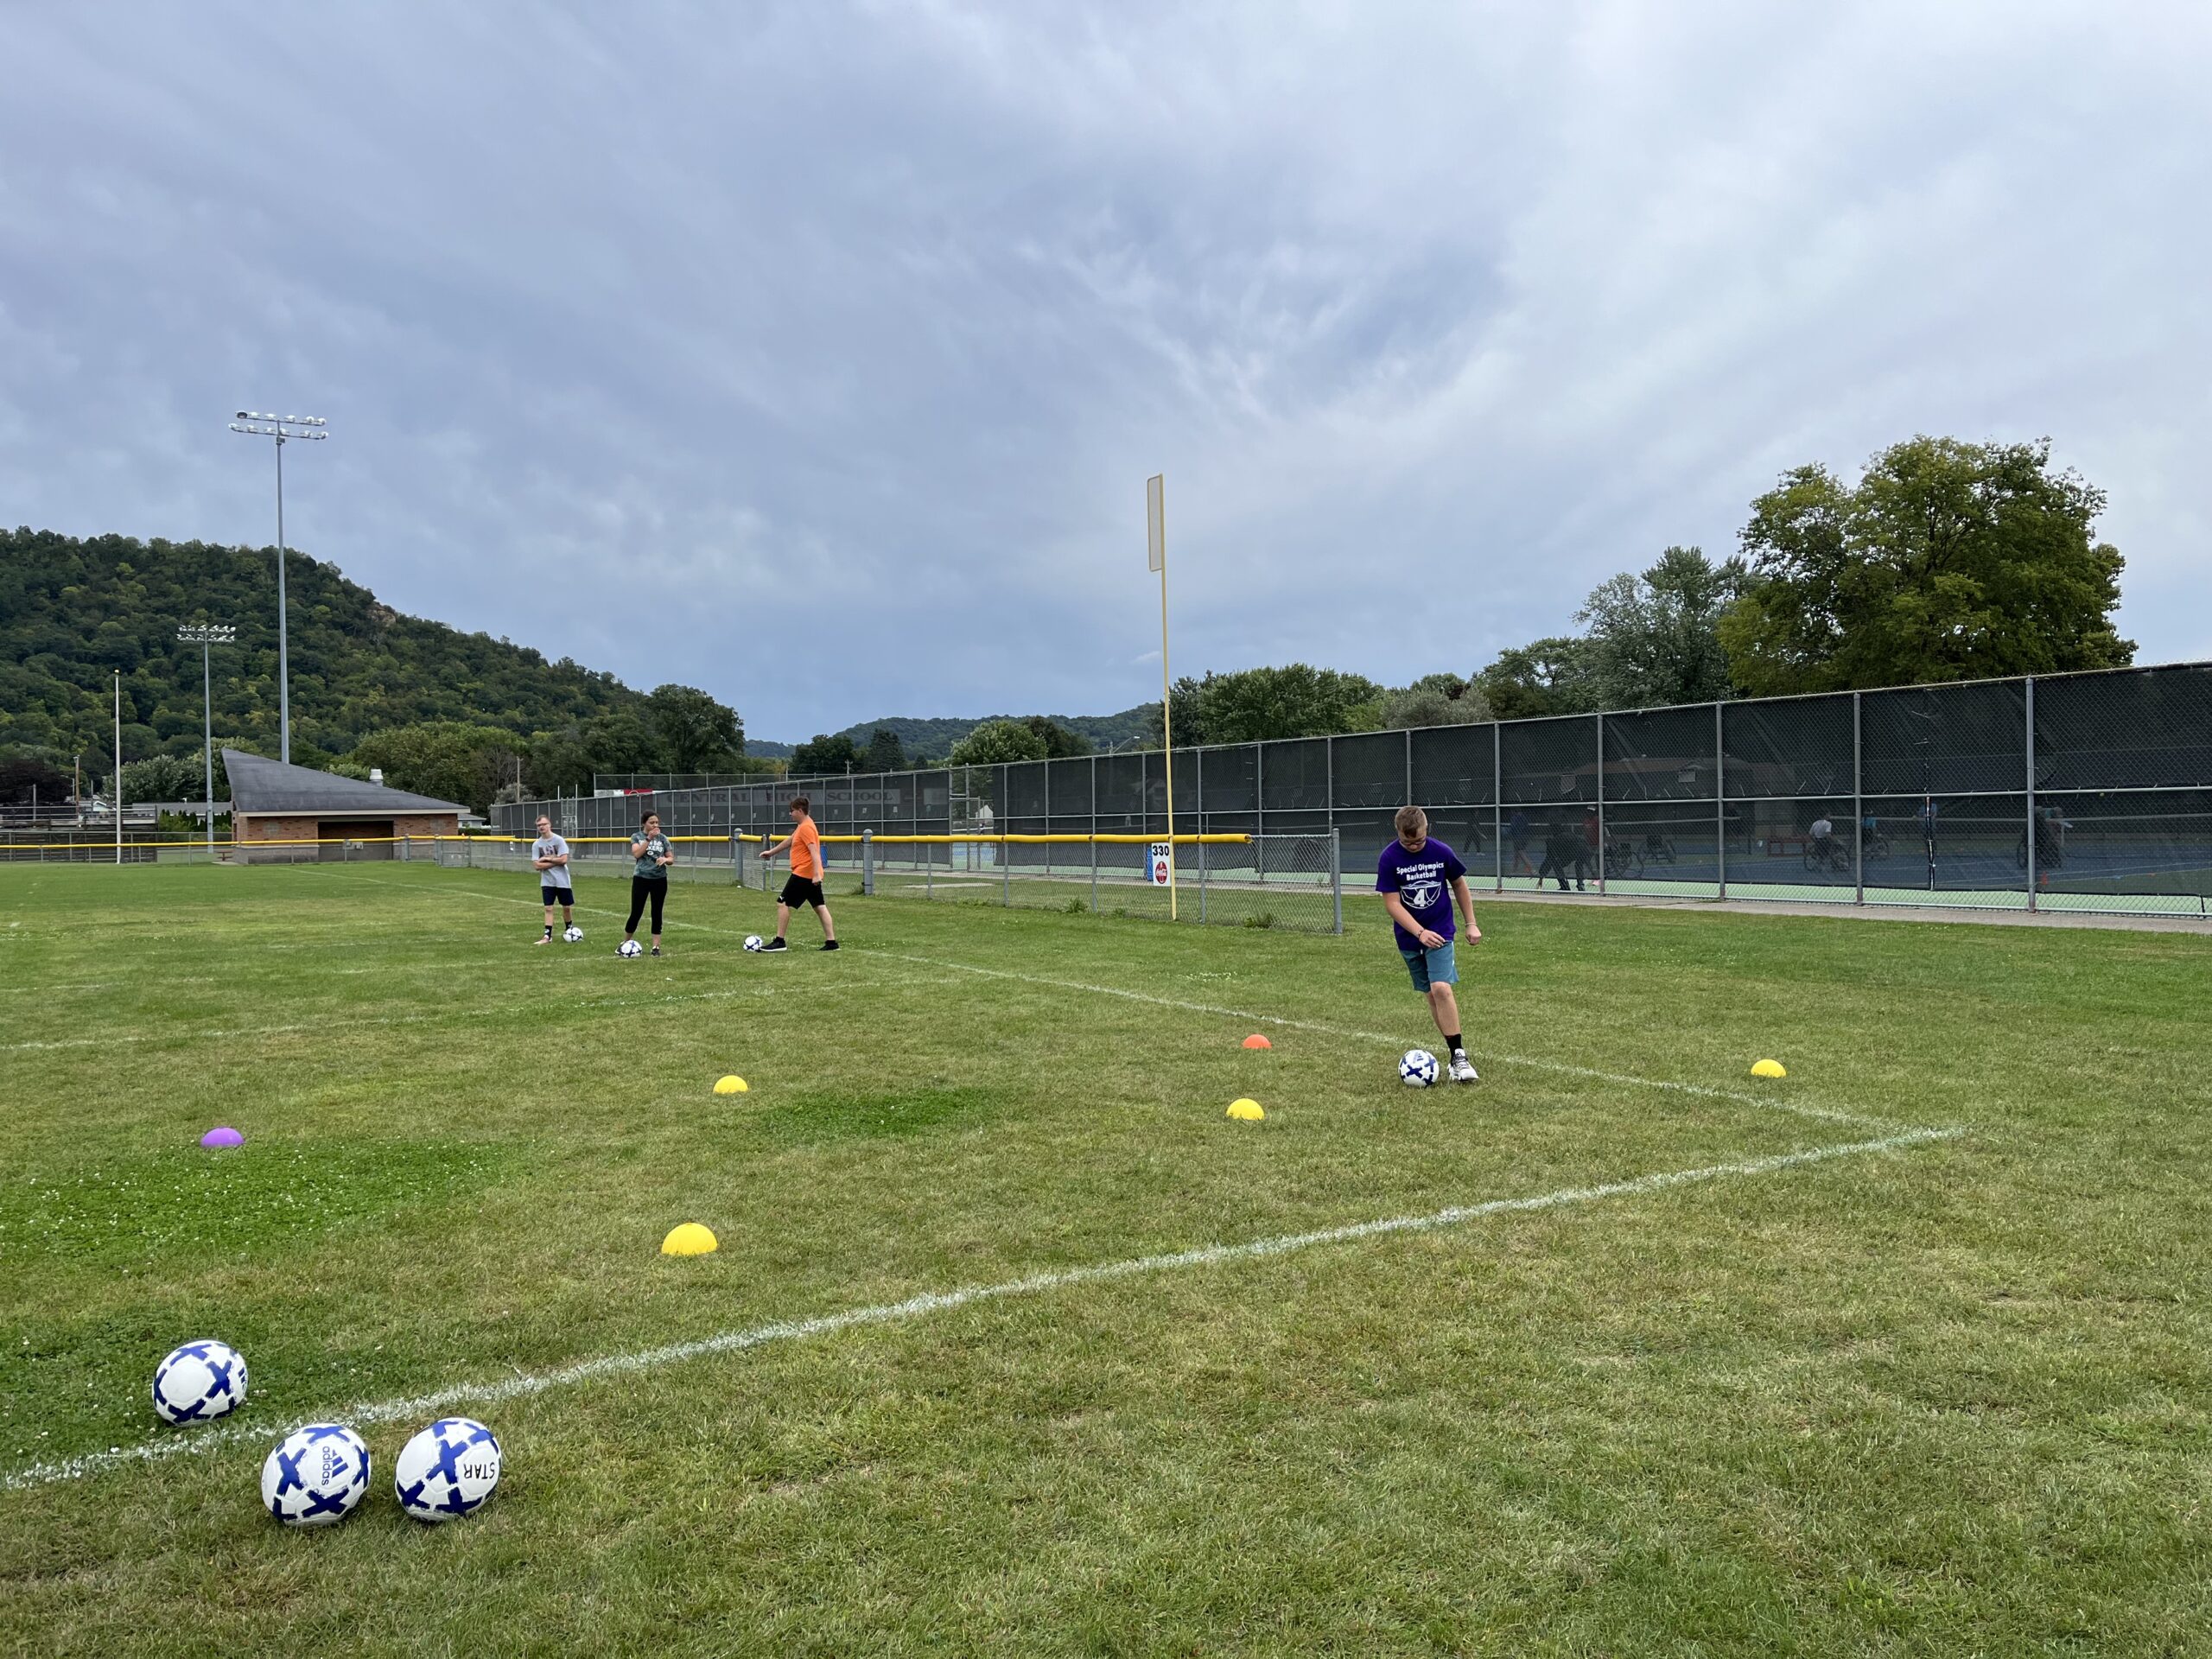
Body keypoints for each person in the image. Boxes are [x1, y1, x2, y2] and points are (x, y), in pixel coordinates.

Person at [1376, 804, 1480, 1083]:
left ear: (1427, 830)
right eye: (1407, 841)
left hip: (1441, 932)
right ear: (1398, 833)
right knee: (1431, 995)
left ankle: (1459, 1056)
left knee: (1441, 988)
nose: (1413, 846)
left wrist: (1471, 922)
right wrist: (1419, 932)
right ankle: (1453, 1054)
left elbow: (1459, 883)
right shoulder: (1389, 858)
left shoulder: (1441, 852)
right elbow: (1392, 903)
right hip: (1410, 938)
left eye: (1419, 840)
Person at [760, 795, 838, 952]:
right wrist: (771, 852)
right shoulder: (803, 826)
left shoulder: (807, 827)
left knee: (782, 903)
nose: (790, 814)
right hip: (808, 873)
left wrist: (817, 874)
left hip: (804, 873)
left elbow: (814, 852)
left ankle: (780, 941)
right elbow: (790, 840)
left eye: (792, 811)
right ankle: (832, 943)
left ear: (800, 811)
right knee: (819, 906)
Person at [621, 810, 672, 958]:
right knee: (636, 912)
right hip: (641, 878)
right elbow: (637, 854)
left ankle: (656, 947)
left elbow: (671, 858)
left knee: (657, 912)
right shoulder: (637, 837)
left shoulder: (663, 839)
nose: (655, 825)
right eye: (652, 823)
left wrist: (665, 859)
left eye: (657, 822)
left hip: (660, 879)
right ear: (644, 823)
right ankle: (625, 943)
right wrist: (649, 839)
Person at [530, 814, 575, 944]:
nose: (541, 827)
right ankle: (547, 936)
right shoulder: (536, 845)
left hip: (562, 880)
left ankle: (569, 931)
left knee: (566, 907)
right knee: (548, 908)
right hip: (547, 881)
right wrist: (556, 861)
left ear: (550, 825)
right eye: (539, 825)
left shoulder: (559, 840)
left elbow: (564, 859)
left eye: (544, 824)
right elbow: (537, 865)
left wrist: (547, 858)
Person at [1508, 808, 1535, 879]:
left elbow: (1513, 828)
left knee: (1521, 853)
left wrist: (1509, 833)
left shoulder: (1515, 818)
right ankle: (1514, 872)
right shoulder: (1524, 817)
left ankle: (1531, 870)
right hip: (1524, 837)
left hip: (1518, 837)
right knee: (1516, 855)